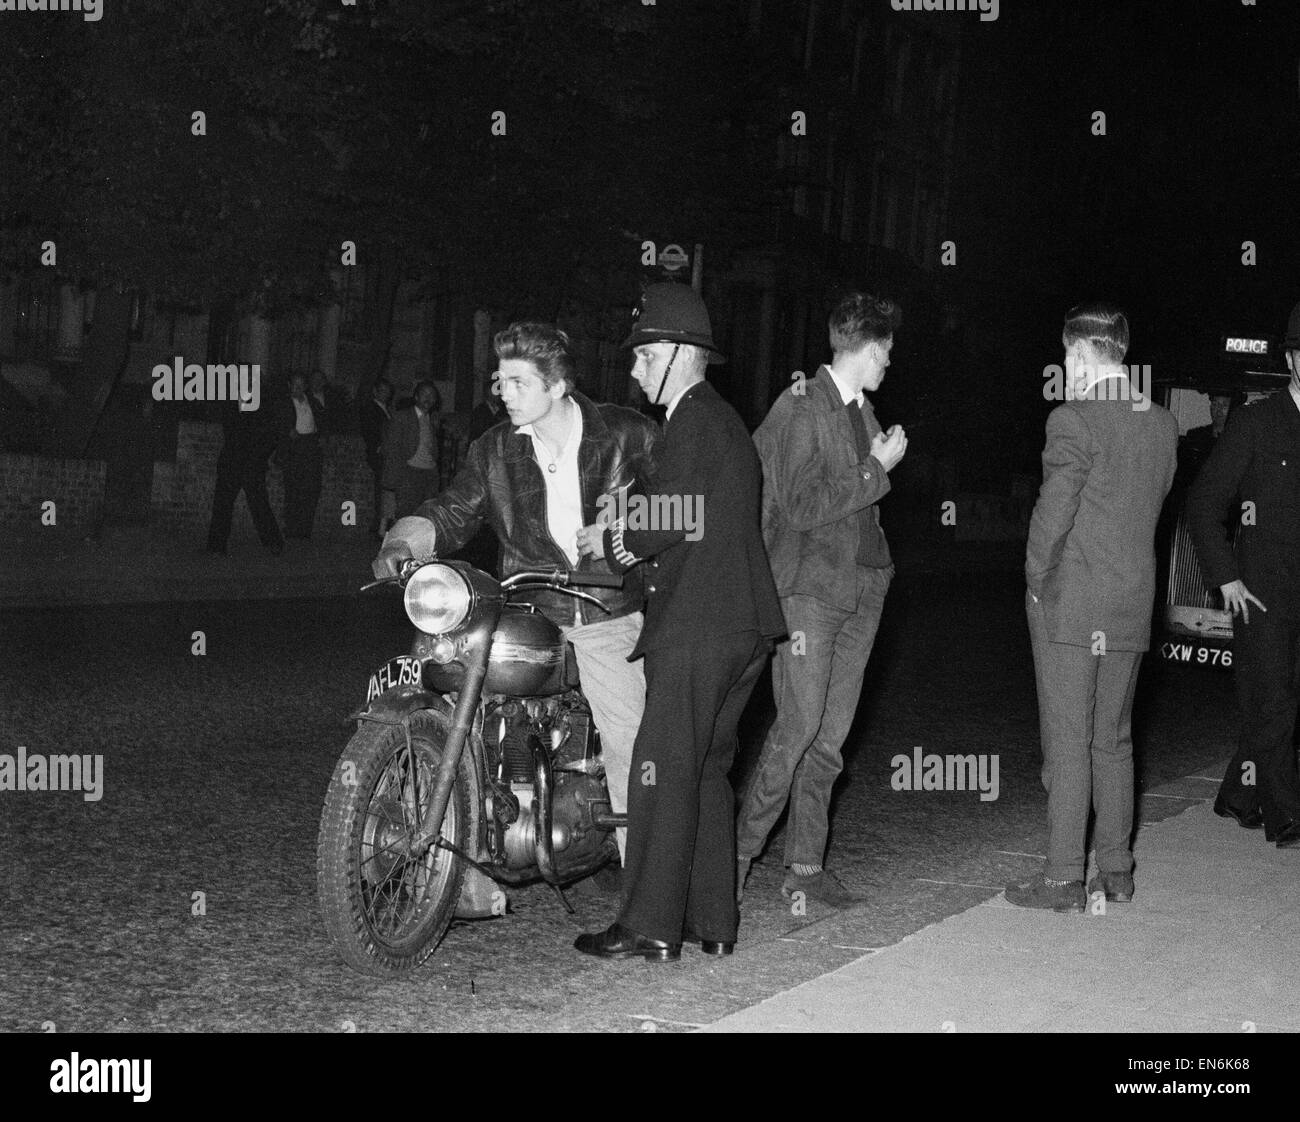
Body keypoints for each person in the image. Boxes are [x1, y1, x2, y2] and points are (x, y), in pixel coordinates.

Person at [373, 323, 658, 862]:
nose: (504, 392)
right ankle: (465, 855)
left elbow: (684, 502)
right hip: (528, 605)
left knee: (631, 744)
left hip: (605, 609)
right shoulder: (495, 448)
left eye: (518, 382)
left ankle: (645, 888)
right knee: (462, 698)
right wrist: (405, 539)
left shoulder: (626, 433)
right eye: (500, 381)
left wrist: (634, 540)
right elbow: (456, 507)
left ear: (558, 386)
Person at [573, 283, 784, 961]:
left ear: (675, 353)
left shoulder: (693, 420)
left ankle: (649, 925)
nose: (633, 368)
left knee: (658, 770)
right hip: (743, 627)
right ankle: (712, 923)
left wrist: (609, 541)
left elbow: (674, 516)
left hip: (701, 626)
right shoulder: (720, 421)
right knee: (704, 773)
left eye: (643, 355)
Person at [735, 292, 907, 908]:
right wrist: (875, 468)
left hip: (860, 588)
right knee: (799, 727)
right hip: (808, 589)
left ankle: (805, 866)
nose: (890, 362)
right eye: (887, 350)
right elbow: (801, 508)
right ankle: (735, 856)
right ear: (866, 348)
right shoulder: (800, 407)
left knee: (830, 738)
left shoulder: (861, 410)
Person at [1009, 303, 1177, 912]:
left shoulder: (1073, 419)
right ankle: (1117, 872)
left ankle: (1061, 880)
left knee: (1068, 741)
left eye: (1065, 356)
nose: (1064, 367)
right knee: (1114, 739)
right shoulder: (1161, 425)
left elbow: (1053, 516)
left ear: (1081, 353)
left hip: (1074, 605)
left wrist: (1034, 580)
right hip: (1131, 604)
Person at [1187, 300, 1300, 849]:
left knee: (1283, 701)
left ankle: (1239, 792)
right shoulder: (1257, 422)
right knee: (1275, 699)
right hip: (1260, 591)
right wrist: (1226, 577)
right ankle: (1287, 816)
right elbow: (1204, 504)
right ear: (1293, 360)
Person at [206, 396, 284, 556]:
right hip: (232, 462)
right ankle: (216, 546)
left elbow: (271, 435)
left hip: (252, 464)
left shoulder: (262, 408)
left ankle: (273, 542)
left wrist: (260, 457)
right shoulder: (230, 404)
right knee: (223, 505)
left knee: (259, 504)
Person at [381, 379, 442, 522]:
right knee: (405, 514)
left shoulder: (431, 419)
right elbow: (391, 448)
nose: (428, 399)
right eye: (424, 394)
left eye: (432, 395)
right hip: (410, 472)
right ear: (416, 397)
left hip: (429, 473)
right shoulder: (402, 416)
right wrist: (395, 476)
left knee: (426, 516)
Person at [281, 372, 324, 540]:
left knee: (311, 489)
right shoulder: (284, 403)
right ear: (289, 386)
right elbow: (278, 423)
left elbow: (324, 420)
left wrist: (321, 436)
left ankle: (305, 528)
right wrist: (287, 432)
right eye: (295, 385)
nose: (298, 388)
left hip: (311, 447)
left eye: (301, 385)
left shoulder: (313, 402)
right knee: (293, 489)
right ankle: (291, 528)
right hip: (293, 448)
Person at [360, 378, 393, 538]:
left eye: (387, 392)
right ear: (375, 391)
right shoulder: (371, 409)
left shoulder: (386, 409)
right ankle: (378, 525)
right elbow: (370, 430)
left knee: (384, 490)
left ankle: (381, 524)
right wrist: (377, 446)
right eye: (382, 391)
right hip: (379, 454)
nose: (385, 394)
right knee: (381, 489)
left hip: (385, 454)